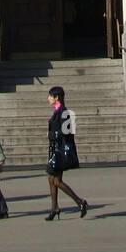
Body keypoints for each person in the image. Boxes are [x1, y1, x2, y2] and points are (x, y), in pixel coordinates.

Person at [45, 85, 86, 220]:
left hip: (60, 151)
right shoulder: (58, 111)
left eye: (50, 96)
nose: (48, 99)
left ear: (57, 98)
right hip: (56, 149)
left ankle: (80, 201)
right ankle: (55, 208)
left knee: (55, 180)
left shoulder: (64, 112)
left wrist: (51, 134)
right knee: (52, 178)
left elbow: (67, 133)